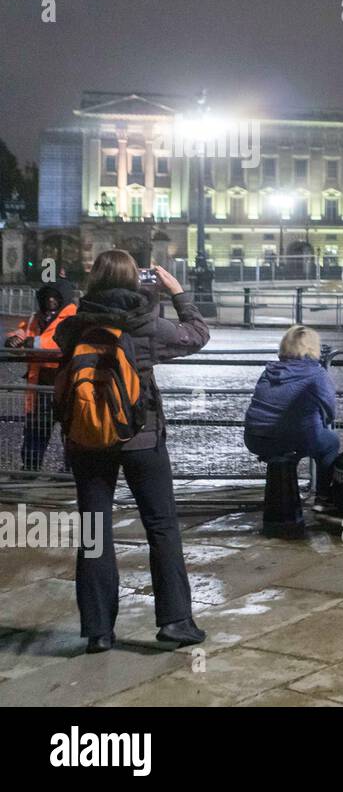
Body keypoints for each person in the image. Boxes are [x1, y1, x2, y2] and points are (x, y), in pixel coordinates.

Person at [54, 252, 209, 654]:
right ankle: (175, 621)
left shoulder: (75, 324)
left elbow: (58, 341)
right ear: (133, 280)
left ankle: (98, 631)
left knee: (95, 533)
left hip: (87, 439)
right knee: (161, 526)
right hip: (142, 438)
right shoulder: (144, 323)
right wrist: (176, 293)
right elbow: (196, 334)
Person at [243, 325, 343, 524]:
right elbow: (330, 407)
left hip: (256, 438)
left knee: (291, 444)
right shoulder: (316, 373)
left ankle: (285, 492)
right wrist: (324, 422)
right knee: (330, 443)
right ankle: (323, 498)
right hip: (299, 437)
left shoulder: (269, 371)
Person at [6, 283, 77, 470]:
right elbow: (23, 331)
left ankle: (70, 469)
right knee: (36, 428)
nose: (51, 301)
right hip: (42, 383)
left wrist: (32, 343)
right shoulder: (36, 319)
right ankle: (30, 466)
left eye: (55, 297)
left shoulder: (72, 317)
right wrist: (13, 339)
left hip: (65, 383)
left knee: (70, 431)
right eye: (47, 297)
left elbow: (59, 342)